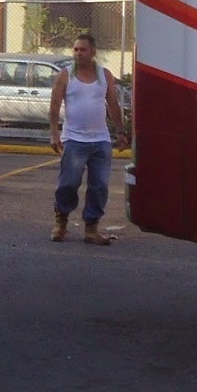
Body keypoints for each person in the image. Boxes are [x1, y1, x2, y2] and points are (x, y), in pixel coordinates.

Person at [48, 32, 124, 246]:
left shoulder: (104, 75)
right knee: (68, 184)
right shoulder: (65, 75)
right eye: (75, 49)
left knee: (99, 186)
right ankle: (61, 221)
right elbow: (54, 106)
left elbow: (113, 105)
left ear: (93, 52)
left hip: (100, 140)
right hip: (74, 140)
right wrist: (54, 133)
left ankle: (91, 227)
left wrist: (120, 132)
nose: (78, 53)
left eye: (83, 50)